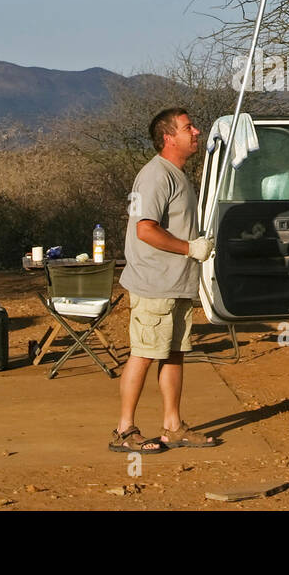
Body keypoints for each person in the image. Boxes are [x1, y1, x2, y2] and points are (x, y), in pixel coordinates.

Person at [110, 107, 218, 453]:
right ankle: (124, 429)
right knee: (143, 354)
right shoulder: (156, 176)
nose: (196, 131)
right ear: (169, 138)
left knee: (173, 353)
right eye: (189, 128)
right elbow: (145, 230)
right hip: (155, 284)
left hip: (175, 284)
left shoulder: (176, 174)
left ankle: (173, 426)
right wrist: (190, 248)